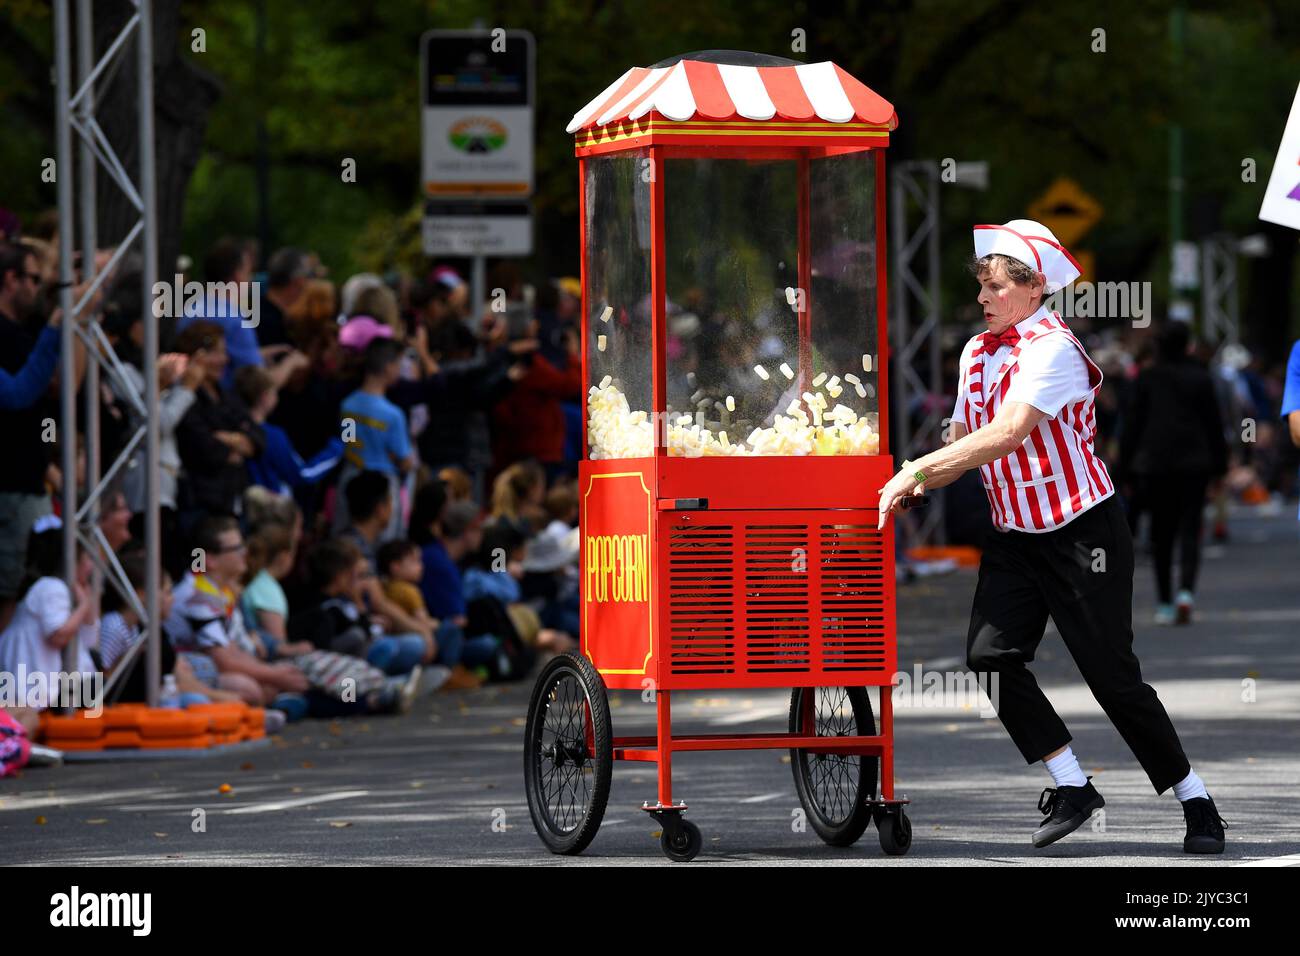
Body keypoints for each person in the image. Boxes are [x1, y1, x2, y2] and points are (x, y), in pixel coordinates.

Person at [875, 218, 1227, 854]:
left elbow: (1010, 430)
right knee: (989, 655)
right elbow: (966, 433)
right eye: (980, 285)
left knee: (1110, 677)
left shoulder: (1053, 348)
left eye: (994, 285)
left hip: (1080, 528)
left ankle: (1197, 800)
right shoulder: (976, 351)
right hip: (1015, 533)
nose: (981, 298)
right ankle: (1071, 785)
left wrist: (920, 468)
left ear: (1032, 289)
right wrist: (932, 472)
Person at [1118, 321, 1227, 624]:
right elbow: (1214, 425)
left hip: (1155, 465)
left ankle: (1165, 602)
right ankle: (1186, 593)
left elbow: (1133, 427)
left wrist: (1123, 470)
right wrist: (1220, 467)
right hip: (1195, 464)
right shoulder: (1201, 378)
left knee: (1161, 534)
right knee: (1191, 529)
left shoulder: (1147, 379)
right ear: (1187, 345)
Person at [165, 515, 309, 709]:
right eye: (237, 548)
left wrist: (271, 673)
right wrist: (276, 675)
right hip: (187, 674)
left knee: (267, 685)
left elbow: (232, 650)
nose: (245, 552)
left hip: (207, 670)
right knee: (250, 688)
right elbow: (224, 661)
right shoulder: (197, 595)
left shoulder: (219, 589)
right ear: (211, 560)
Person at [173, 321, 266, 525]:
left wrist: (226, 438)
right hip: (200, 504)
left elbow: (258, 438)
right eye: (215, 353)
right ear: (195, 356)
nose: (224, 360)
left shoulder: (227, 396)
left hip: (234, 499)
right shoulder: (185, 399)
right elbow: (204, 448)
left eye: (223, 352)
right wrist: (236, 443)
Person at [0, 518, 99, 708]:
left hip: (38, 683)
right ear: (69, 558)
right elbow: (58, 635)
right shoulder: (50, 587)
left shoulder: (59, 589)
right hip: (26, 681)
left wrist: (86, 606)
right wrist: (84, 606)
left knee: (94, 685)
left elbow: (90, 641)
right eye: (86, 558)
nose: (90, 567)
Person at [377, 538, 487, 690]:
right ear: (395, 567)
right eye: (414, 562)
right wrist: (439, 624)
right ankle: (450, 671)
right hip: (419, 639)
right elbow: (423, 621)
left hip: (403, 638)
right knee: (452, 628)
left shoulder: (384, 588)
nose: (421, 567)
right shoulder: (410, 592)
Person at [335, 338, 416, 538]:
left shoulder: (348, 405)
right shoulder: (392, 414)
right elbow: (405, 460)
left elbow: (349, 442)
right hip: (383, 486)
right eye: (398, 365)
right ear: (388, 367)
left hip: (351, 477)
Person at [235, 365, 344, 497]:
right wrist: (338, 447)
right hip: (270, 510)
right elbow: (302, 475)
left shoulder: (232, 428)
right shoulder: (273, 436)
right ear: (265, 397)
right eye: (274, 391)